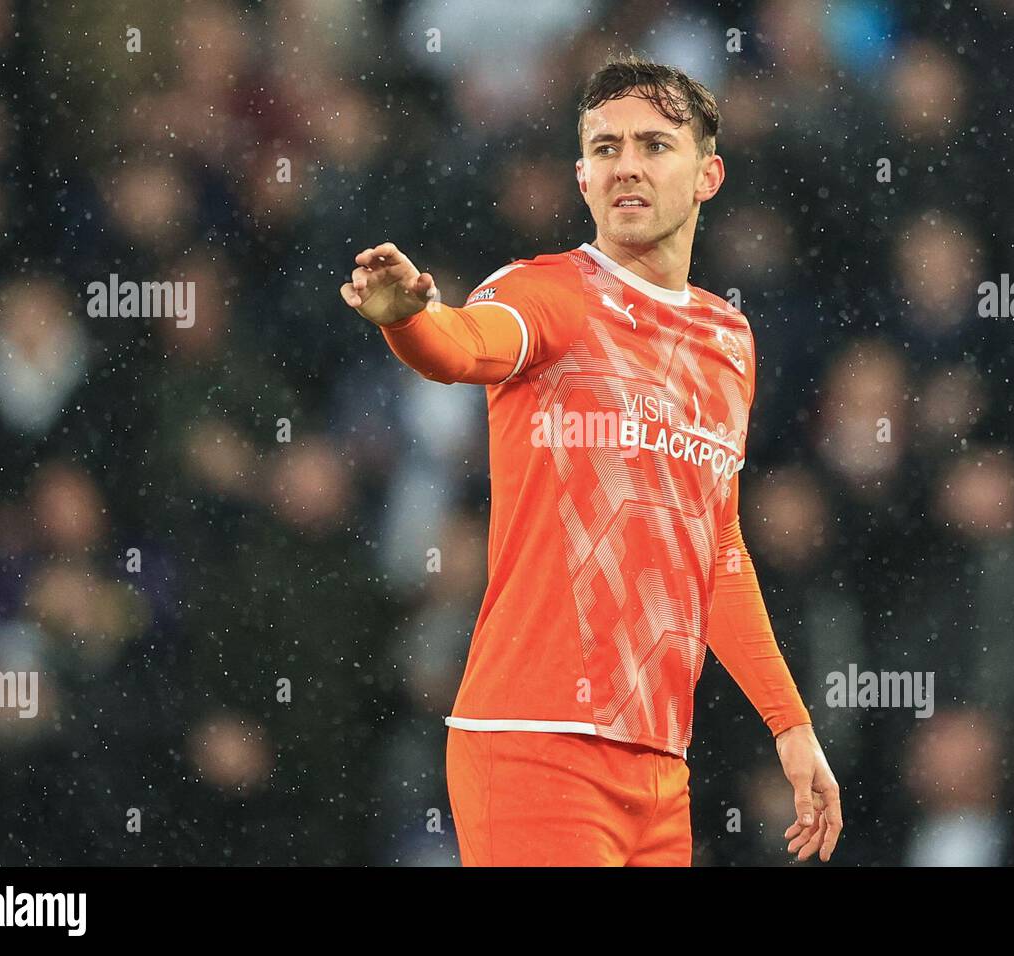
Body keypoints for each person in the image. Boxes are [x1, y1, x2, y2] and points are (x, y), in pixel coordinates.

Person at [340, 53, 842, 867]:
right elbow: (461, 345)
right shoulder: (549, 293)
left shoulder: (729, 340)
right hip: (535, 742)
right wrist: (409, 320)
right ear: (582, 177)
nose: (627, 166)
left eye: (654, 144)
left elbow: (715, 550)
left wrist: (791, 725)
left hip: (660, 763)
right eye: (606, 148)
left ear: (708, 175)